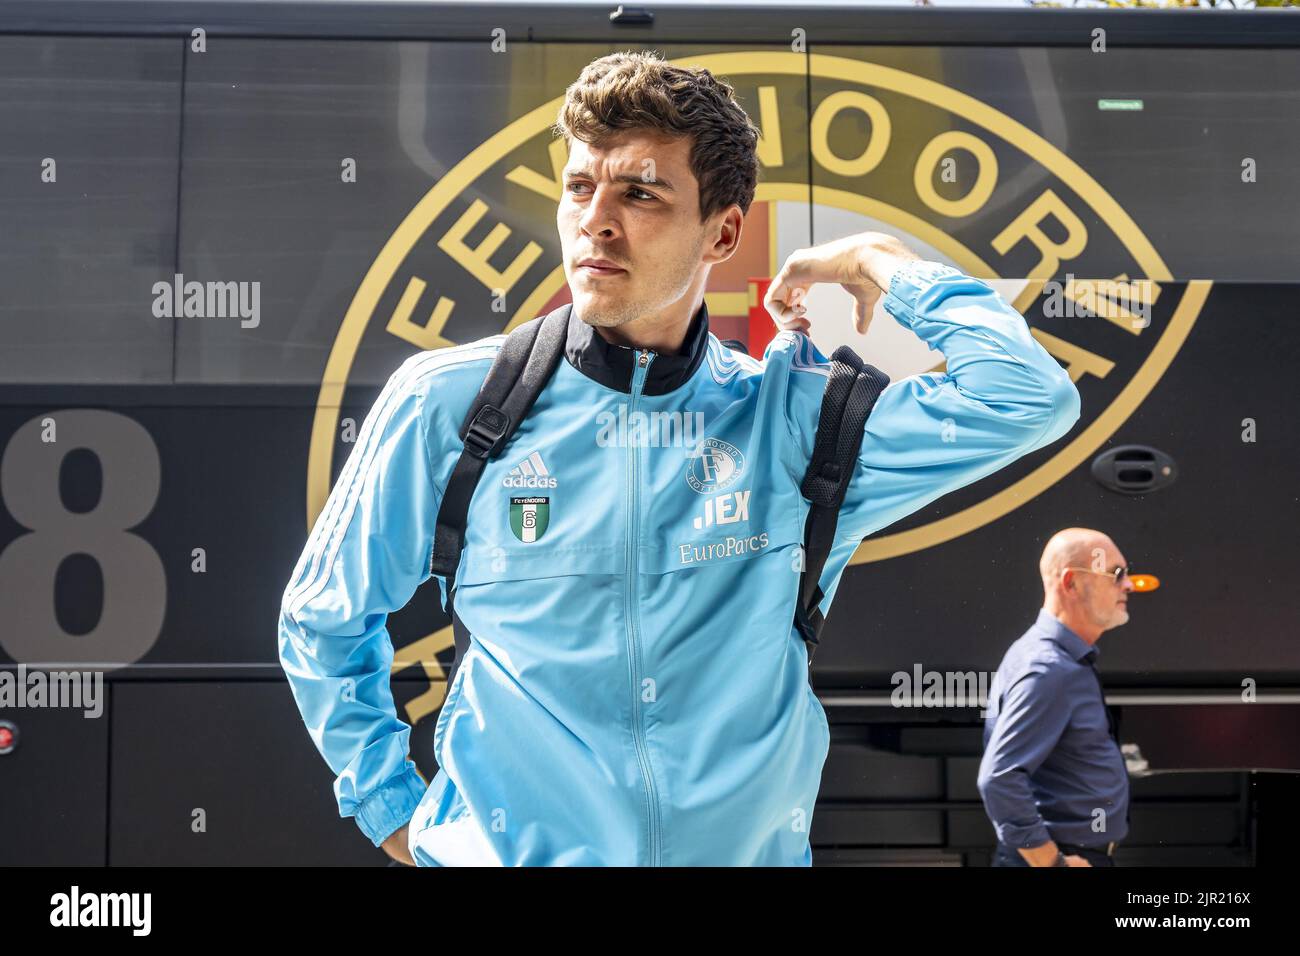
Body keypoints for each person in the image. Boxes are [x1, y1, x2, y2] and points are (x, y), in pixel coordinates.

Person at [277, 50, 1082, 866]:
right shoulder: (450, 402)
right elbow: (321, 621)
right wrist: (392, 811)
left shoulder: (794, 419)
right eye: (580, 186)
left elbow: (1028, 398)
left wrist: (880, 261)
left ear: (723, 231)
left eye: (640, 193)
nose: (596, 219)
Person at [978, 528, 1139, 868]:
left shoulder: (1061, 661)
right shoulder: (1049, 669)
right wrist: (1052, 863)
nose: (1128, 585)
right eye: (1117, 574)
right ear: (1071, 583)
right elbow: (1000, 778)